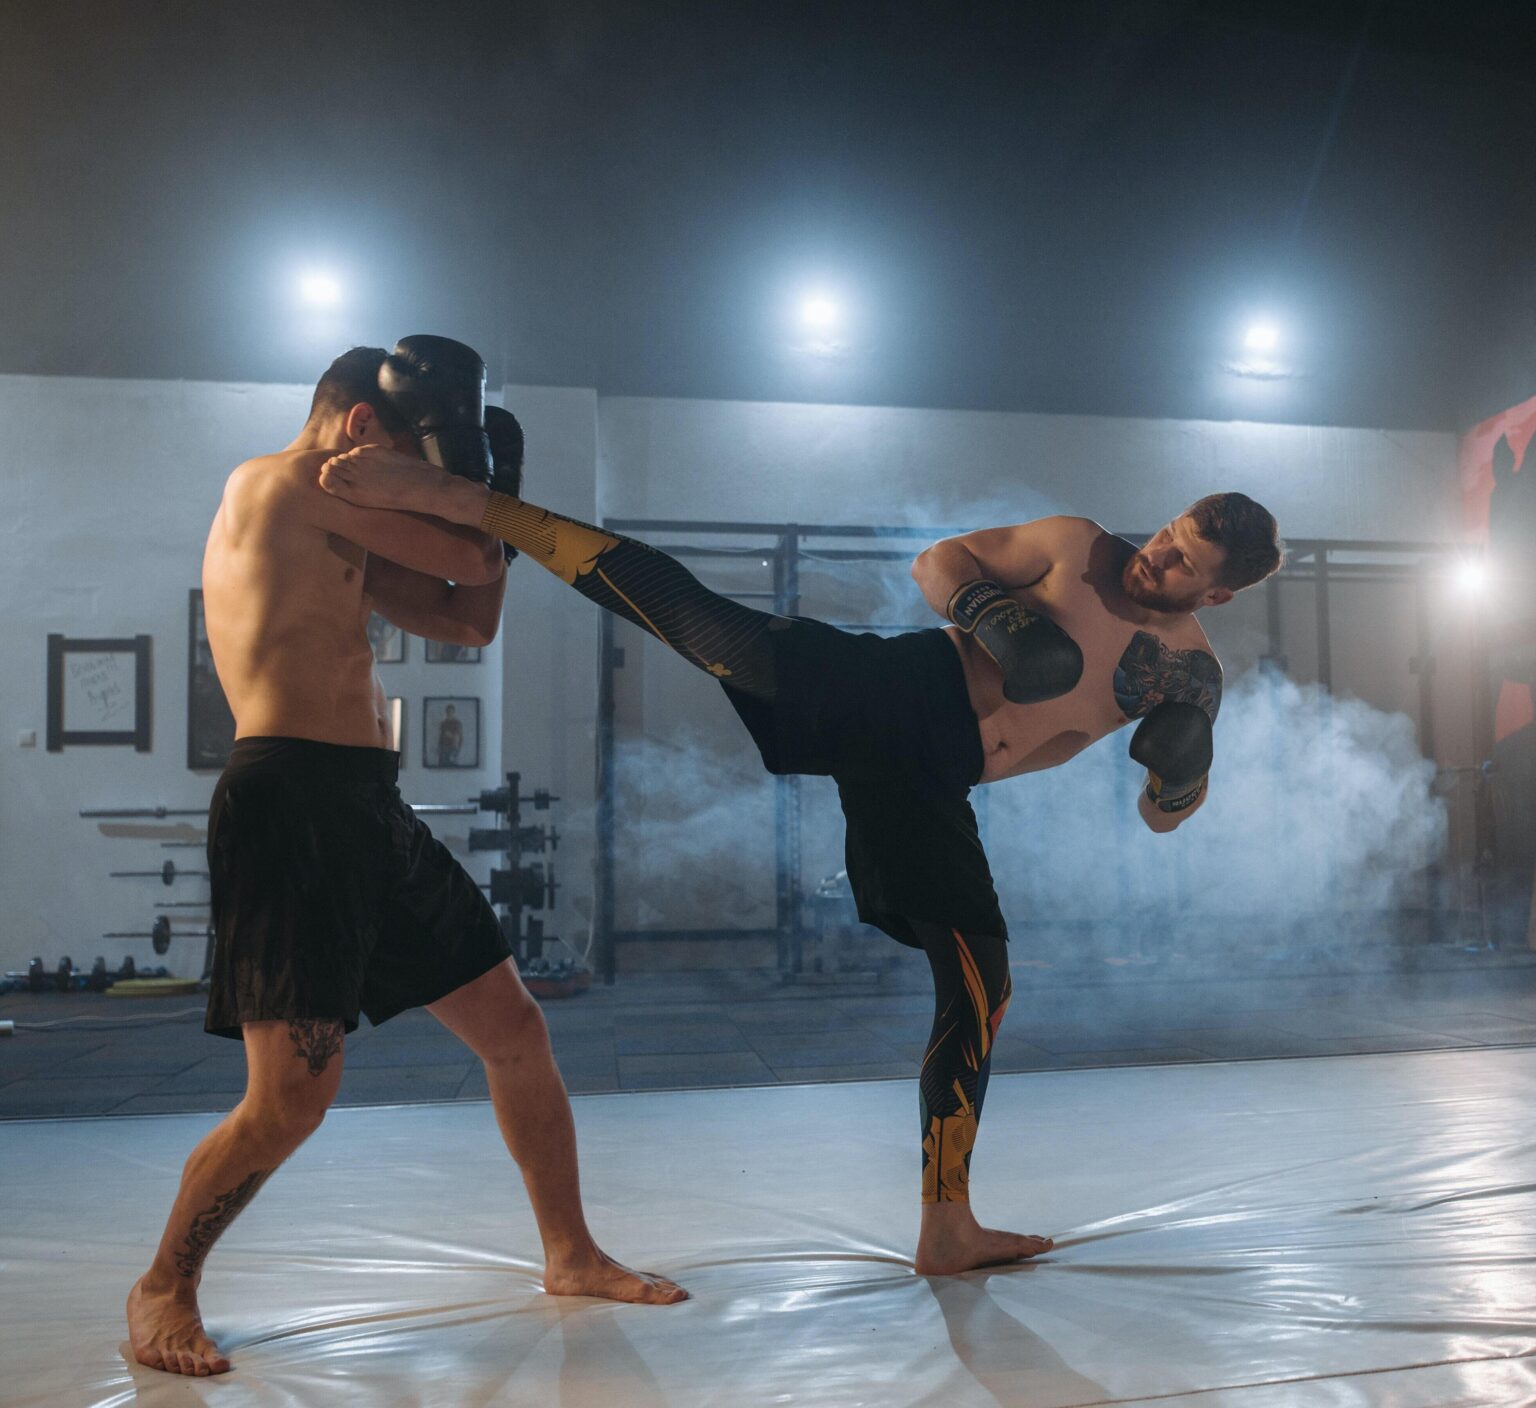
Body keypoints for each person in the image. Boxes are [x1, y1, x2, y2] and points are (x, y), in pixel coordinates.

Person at [318, 445, 1282, 1276]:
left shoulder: (1190, 674)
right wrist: (999, 616)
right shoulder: (1078, 544)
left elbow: (1164, 821)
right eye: (1166, 533)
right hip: (895, 688)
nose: (1155, 556)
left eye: (1182, 562)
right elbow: (940, 560)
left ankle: (946, 1228)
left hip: (937, 779)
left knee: (983, 983)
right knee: (695, 619)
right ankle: (475, 504)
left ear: (1220, 592)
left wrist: (1178, 771)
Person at [127, 343, 686, 1380]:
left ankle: (569, 1252)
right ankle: (164, 1283)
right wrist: (474, 489)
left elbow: (471, 608)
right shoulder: (278, 483)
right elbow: (470, 547)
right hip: (288, 803)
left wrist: (488, 501)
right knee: (292, 1095)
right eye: (402, 454)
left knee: (516, 1029)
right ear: (358, 430)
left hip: (368, 807)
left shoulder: (339, 533)